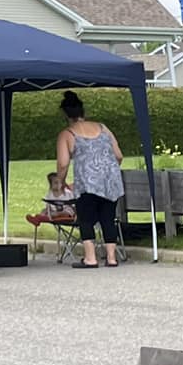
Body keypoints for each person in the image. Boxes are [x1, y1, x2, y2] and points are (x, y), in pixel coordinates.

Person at [54, 92, 125, 268]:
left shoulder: (67, 134)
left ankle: (90, 258)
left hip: (87, 181)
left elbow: (63, 163)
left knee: (85, 217)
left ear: (65, 115)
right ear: (83, 111)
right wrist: (107, 170)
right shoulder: (103, 128)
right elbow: (118, 155)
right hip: (111, 180)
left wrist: (60, 183)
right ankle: (111, 258)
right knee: (108, 217)